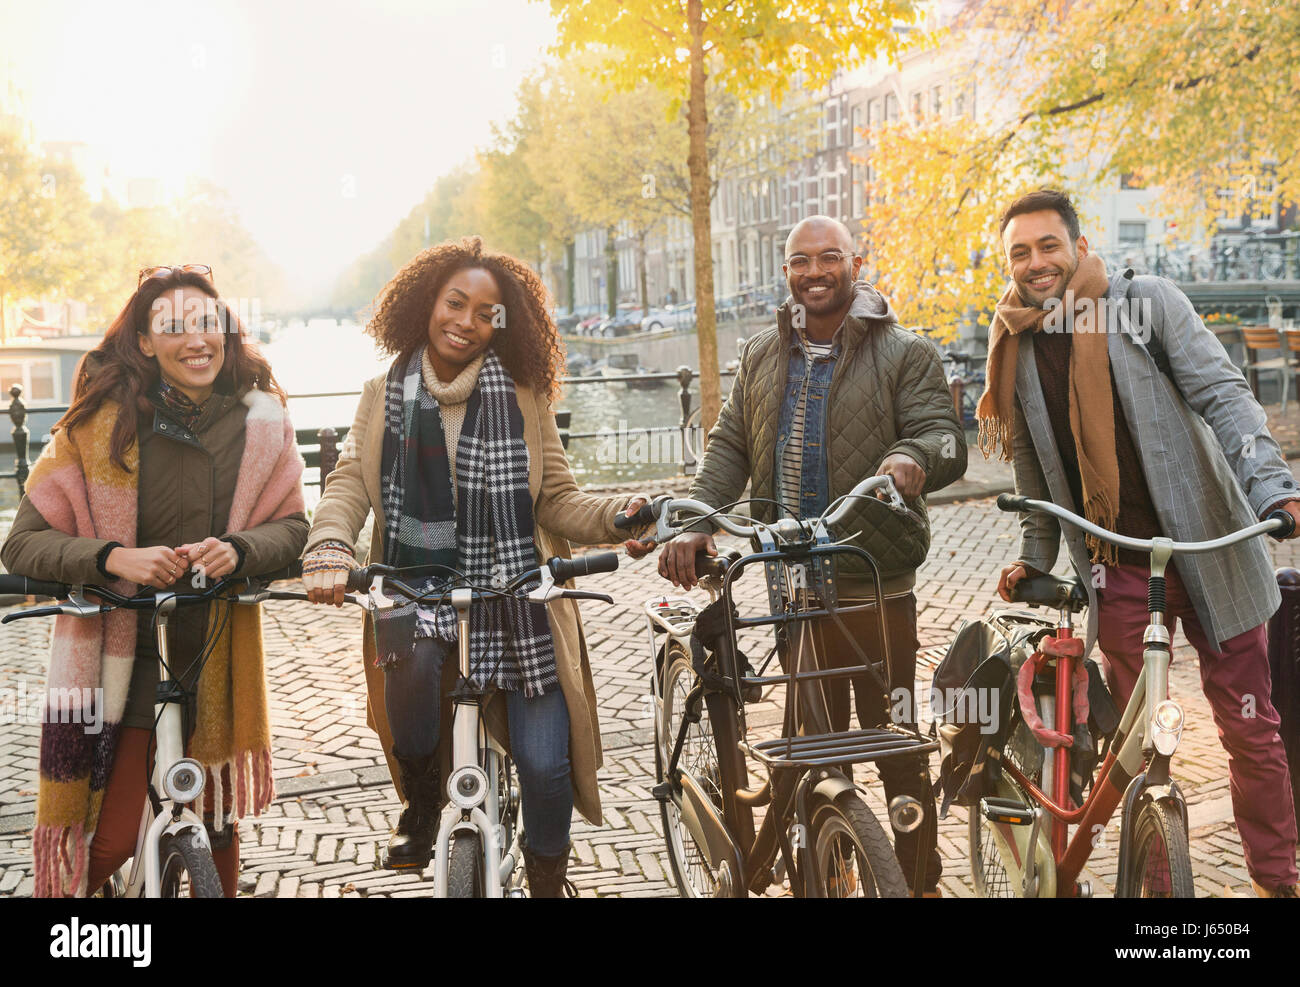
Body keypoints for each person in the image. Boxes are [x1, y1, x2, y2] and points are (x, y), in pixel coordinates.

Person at [301, 236, 646, 896]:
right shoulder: (383, 394)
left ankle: (547, 873)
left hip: (517, 599)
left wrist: (621, 517)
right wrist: (329, 545)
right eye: (454, 303)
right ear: (425, 303)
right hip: (418, 588)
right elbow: (347, 482)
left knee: (546, 766)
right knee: (413, 654)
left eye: (486, 311)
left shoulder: (523, 396)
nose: (466, 320)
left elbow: (558, 499)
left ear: (503, 322)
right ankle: (425, 803)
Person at [982, 188, 1300, 898]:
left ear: (1080, 246)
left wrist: (1273, 488)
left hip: (1212, 549)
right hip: (1117, 567)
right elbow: (1033, 467)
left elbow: (1225, 392)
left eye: (1048, 246)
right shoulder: (1019, 342)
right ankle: (1159, 889)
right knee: (1137, 746)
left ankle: (1277, 883)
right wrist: (1036, 555)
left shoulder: (1145, 303)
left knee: (1250, 727)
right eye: (1020, 253)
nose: (1036, 263)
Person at [651, 215, 968, 895]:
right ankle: (826, 868)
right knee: (812, 746)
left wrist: (912, 459)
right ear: (786, 270)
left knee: (902, 750)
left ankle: (918, 881)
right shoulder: (763, 354)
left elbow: (944, 437)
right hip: (791, 587)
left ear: (856, 261)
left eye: (830, 258)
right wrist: (693, 522)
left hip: (876, 588)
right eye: (801, 261)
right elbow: (730, 448)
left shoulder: (905, 352)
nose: (815, 272)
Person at [2, 265, 308, 897]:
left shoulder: (262, 422)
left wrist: (239, 549)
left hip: (215, 657)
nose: (196, 339)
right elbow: (23, 544)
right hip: (128, 663)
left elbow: (294, 528)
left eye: (207, 322)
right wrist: (114, 557)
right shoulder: (96, 428)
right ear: (144, 341)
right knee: (107, 842)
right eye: (174, 327)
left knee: (216, 828)